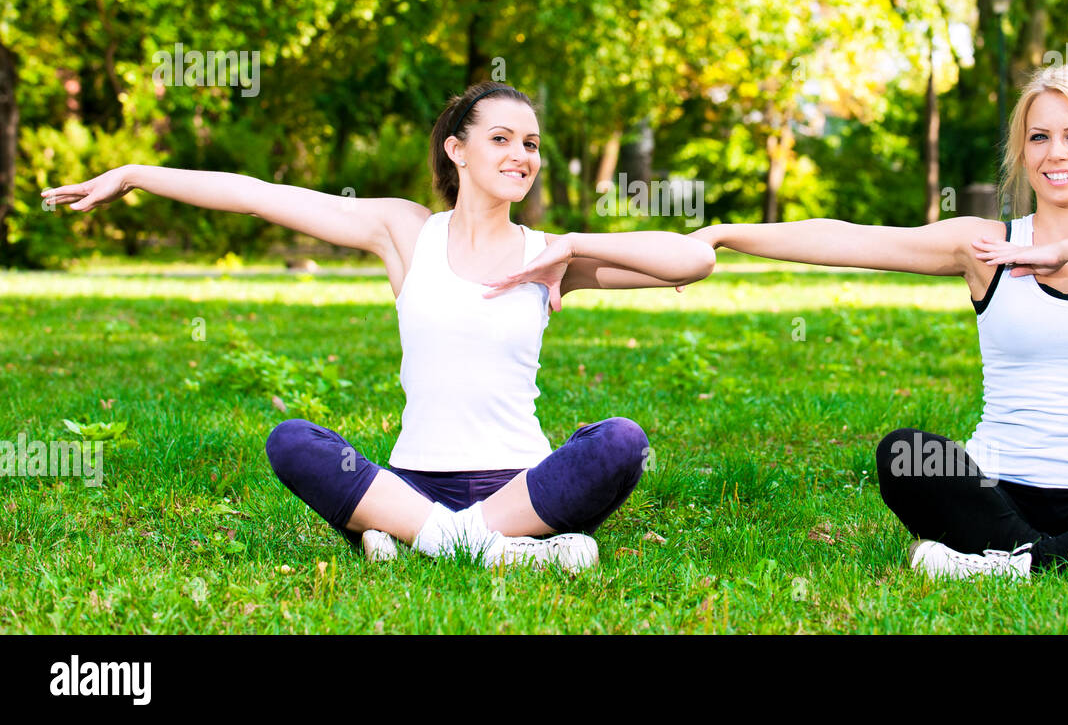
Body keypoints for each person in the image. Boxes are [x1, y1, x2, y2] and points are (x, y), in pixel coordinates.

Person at [40, 80, 715, 573]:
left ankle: (442, 539)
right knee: (294, 441)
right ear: (457, 149)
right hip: (412, 483)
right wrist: (134, 174)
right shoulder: (404, 231)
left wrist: (571, 242)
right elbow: (261, 197)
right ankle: (491, 548)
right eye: (502, 138)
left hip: (523, 488)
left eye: (531, 143)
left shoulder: (549, 254)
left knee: (619, 443)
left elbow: (689, 262)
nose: (522, 154)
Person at [687, 65, 1068, 580]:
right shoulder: (988, 246)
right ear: (1022, 151)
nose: (1056, 153)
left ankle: (1008, 563)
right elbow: (855, 239)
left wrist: (1063, 249)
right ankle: (1060, 558)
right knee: (904, 453)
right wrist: (725, 234)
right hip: (994, 490)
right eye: (1039, 137)